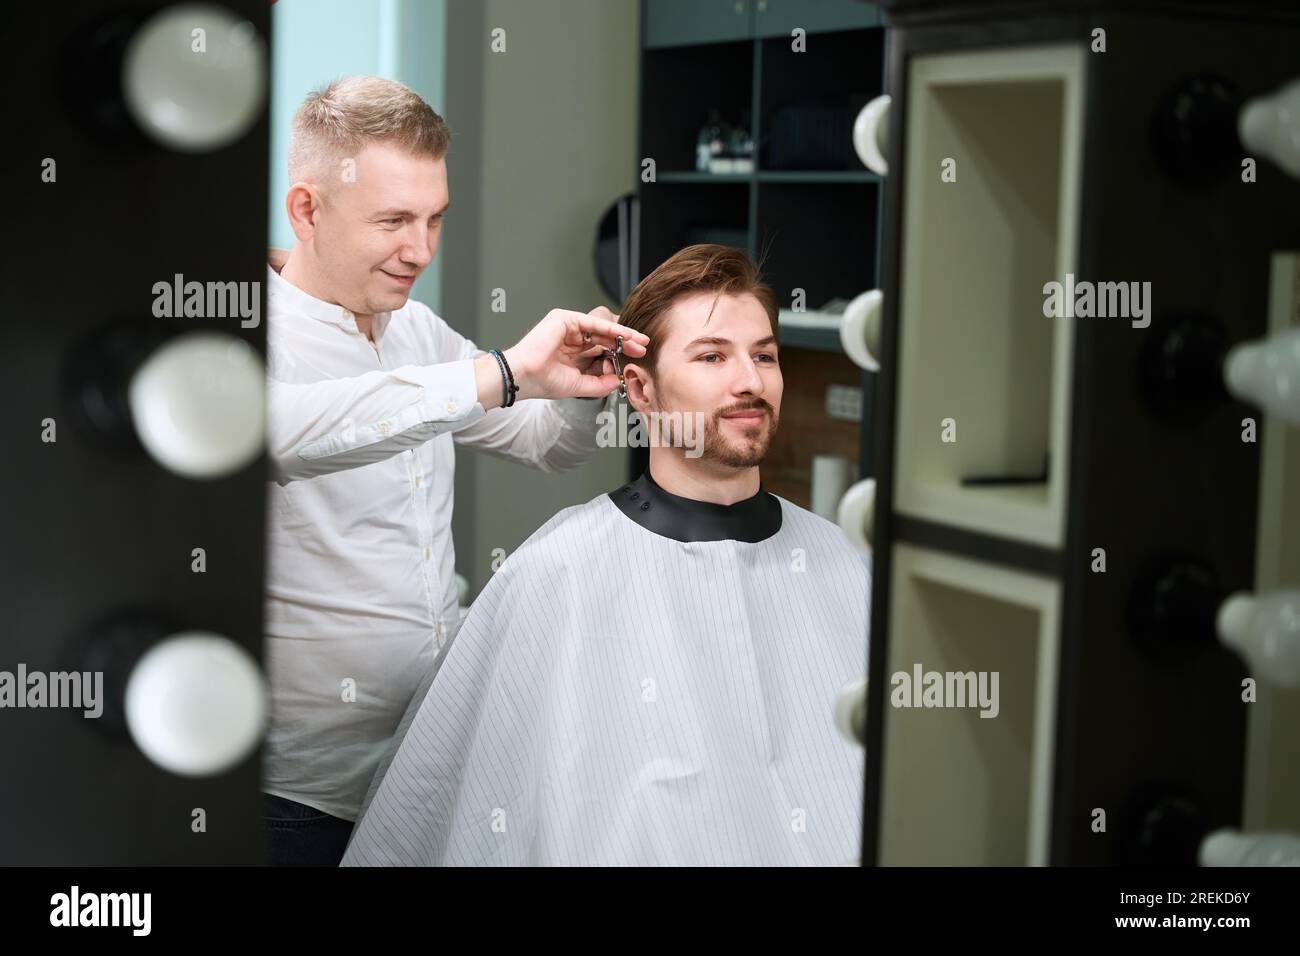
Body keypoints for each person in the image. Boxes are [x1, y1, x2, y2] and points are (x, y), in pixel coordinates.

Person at [341, 244, 870, 866]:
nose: (749, 381)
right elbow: (438, 814)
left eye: (764, 356)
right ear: (640, 389)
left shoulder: (844, 561)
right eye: (711, 356)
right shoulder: (557, 571)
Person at [262, 75, 648, 866]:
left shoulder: (417, 330)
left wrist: (582, 384)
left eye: (435, 217)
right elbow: (289, 436)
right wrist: (503, 369)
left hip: (432, 754)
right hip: (296, 792)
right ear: (307, 210)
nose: (421, 250)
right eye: (394, 220)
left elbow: (546, 444)